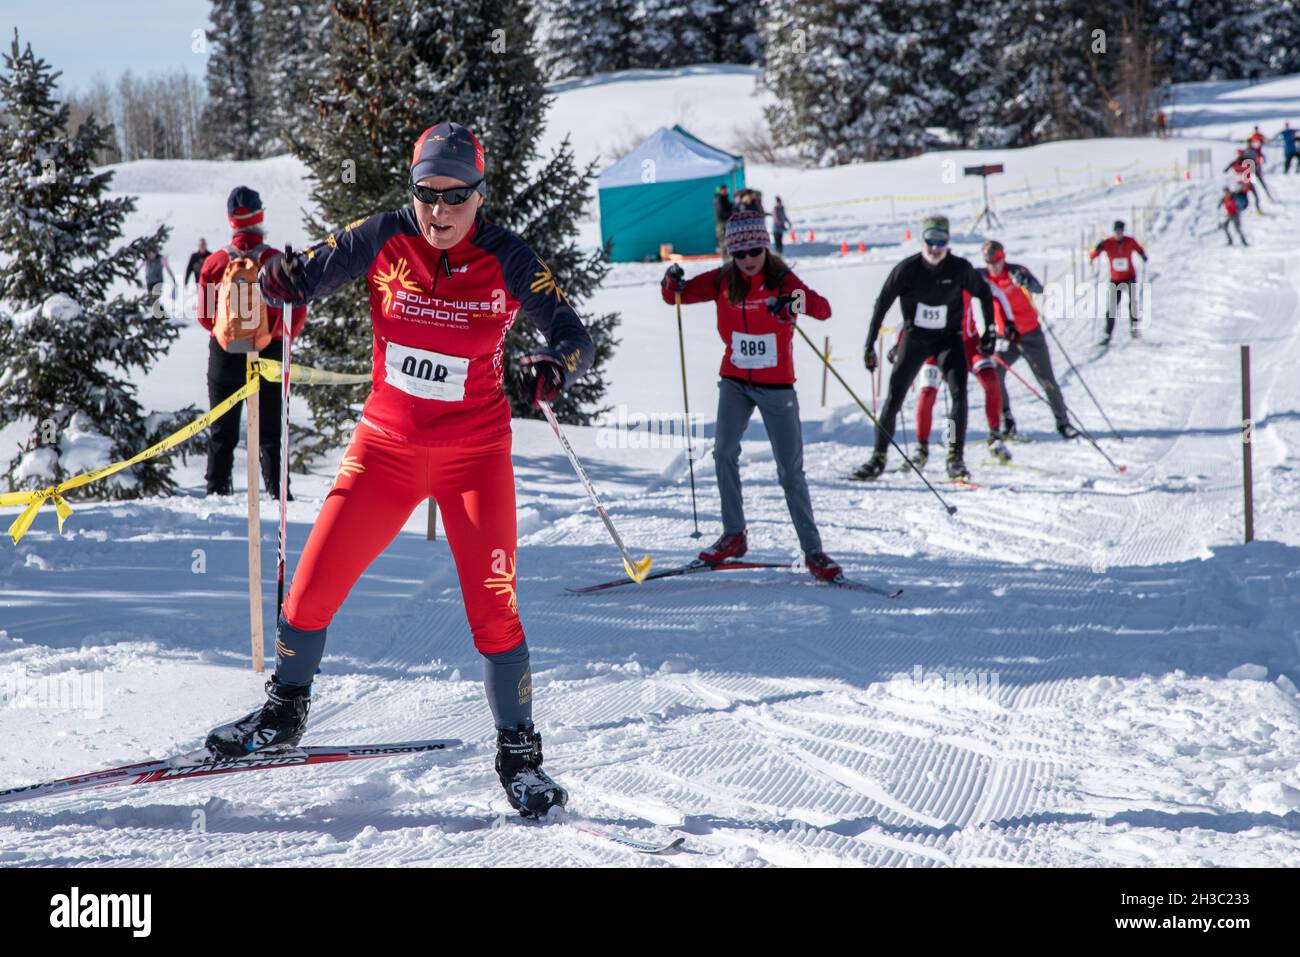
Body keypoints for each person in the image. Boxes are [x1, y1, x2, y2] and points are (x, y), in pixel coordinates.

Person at [203, 122, 593, 820]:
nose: (439, 211)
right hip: (385, 448)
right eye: (426, 194)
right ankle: (284, 713)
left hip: (475, 457)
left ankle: (520, 756)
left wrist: (553, 365)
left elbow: (571, 331)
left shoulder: (507, 256)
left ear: (480, 194)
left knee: (495, 612)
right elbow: (304, 272)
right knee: (313, 585)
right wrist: (280, 276)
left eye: (455, 196)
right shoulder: (383, 235)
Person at [661, 210, 842, 582]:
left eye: (754, 251)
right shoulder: (722, 280)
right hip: (735, 383)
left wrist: (792, 304)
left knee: (790, 471)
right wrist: (670, 280)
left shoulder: (781, 278)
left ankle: (814, 552)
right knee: (723, 452)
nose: (747, 260)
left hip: (777, 388)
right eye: (740, 254)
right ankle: (734, 536)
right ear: (731, 254)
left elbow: (823, 308)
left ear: (765, 247)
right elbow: (676, 297)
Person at [851, 214, 998, 483]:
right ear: (923, 240)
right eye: (930, 241)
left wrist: (990, 331)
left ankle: (955, 457)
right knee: (894, 397)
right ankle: (878, 458)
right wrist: (869, 344)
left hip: (948, 340)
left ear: (948, 242)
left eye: (940, 242)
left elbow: (985, 294)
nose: (935, 248)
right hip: (915, 340)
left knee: (958, 396)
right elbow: (882, 303)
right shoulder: (907, 270)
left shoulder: (959, 268)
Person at [197, 187, 307, 498]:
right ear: (260, 217)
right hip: (268, 350)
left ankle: (217, 493)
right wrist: (276, 337)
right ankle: (277, 494)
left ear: (231, 221)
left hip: (225, 353)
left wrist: (229, 331)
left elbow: (205, 317)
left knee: (221, 430)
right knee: (270, 432)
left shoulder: (215, 263)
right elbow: (296, 311)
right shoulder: (276, 261)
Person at [891, 280, 1012, 470]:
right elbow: (908, 318)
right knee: (928, 393)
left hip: (970, 344)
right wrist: (897, 345)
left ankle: (995, 436)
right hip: (936, 347)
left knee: (990, 379)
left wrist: (1007, 323)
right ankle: (921, 448)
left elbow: (994, 292)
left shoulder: (964, 279)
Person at [980, 240, 1078, 441]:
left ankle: (1063, 423)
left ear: (1003, 257)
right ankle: (1007, 421)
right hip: (1005, 338)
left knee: (1047, 380)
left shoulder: (1016, 271)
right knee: (994, 377)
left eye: (997, 259)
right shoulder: (983, 277)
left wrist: (1026, 282)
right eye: (989, 261)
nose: (994, 265)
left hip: (1030, 335)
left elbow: (1038, 288)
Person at [1088, 220, 1148, 345]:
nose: (1119, 233)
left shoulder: (1129, 241)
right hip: (1115, 280)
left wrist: (1143, 255)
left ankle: (1135, 330)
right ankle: (1107, 335)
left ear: (1123, 231)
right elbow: (1093, 254)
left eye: (1120, 231)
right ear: (1114, 231)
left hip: (1129, 277)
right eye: (1117, 231)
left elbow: (1139, 249)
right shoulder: (1107, 243)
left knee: (1133, 305)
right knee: (1112, 308)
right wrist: (1095, 251)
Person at [713, 184, 732, 254]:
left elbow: (728, 206)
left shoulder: (724, 198)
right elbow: (721, 212)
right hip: (721, 223)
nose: (726, 191)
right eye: (724, 190)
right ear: (720, 191)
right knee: (723, 242)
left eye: (726, 190)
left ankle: (727, 257)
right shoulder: (719, 199)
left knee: (726, 241)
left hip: (724, 222)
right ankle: (725, 259)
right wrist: (731, 213)